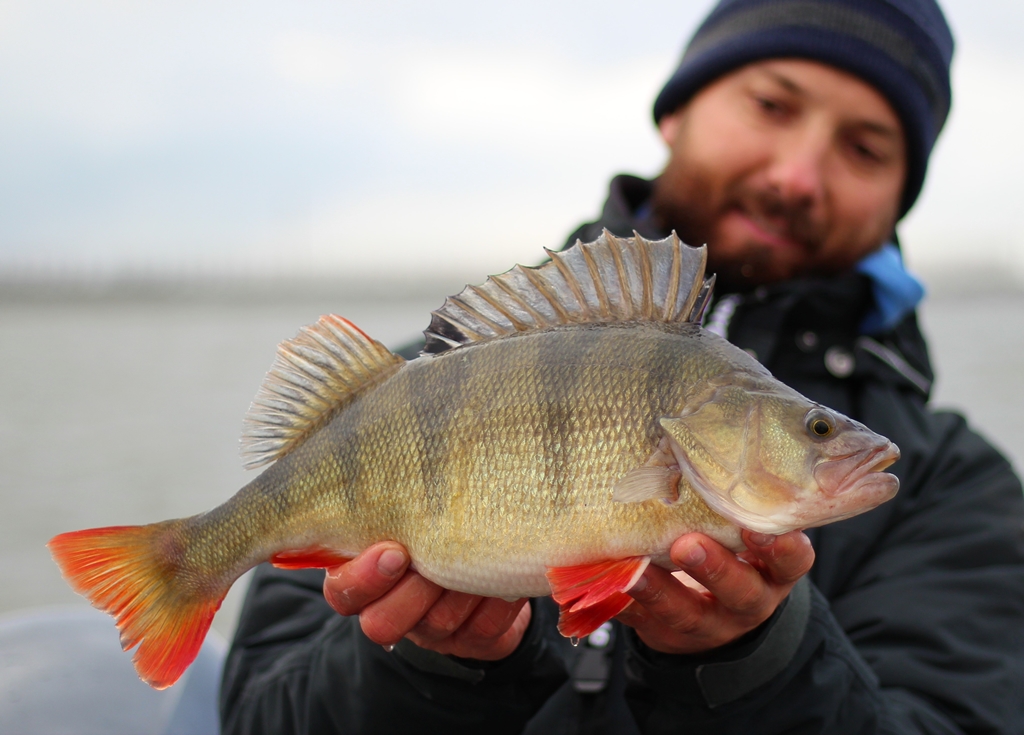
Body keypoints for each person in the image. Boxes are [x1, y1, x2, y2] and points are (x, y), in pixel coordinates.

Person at [219, 0, 1024, 732]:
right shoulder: (408, 393)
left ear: (902, 194)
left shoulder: (954, 491)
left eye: (864, 148)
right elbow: (260, 718)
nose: (797, 175)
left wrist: (761, 662)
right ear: (676, 112)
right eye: (773, 106)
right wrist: (429, 665)